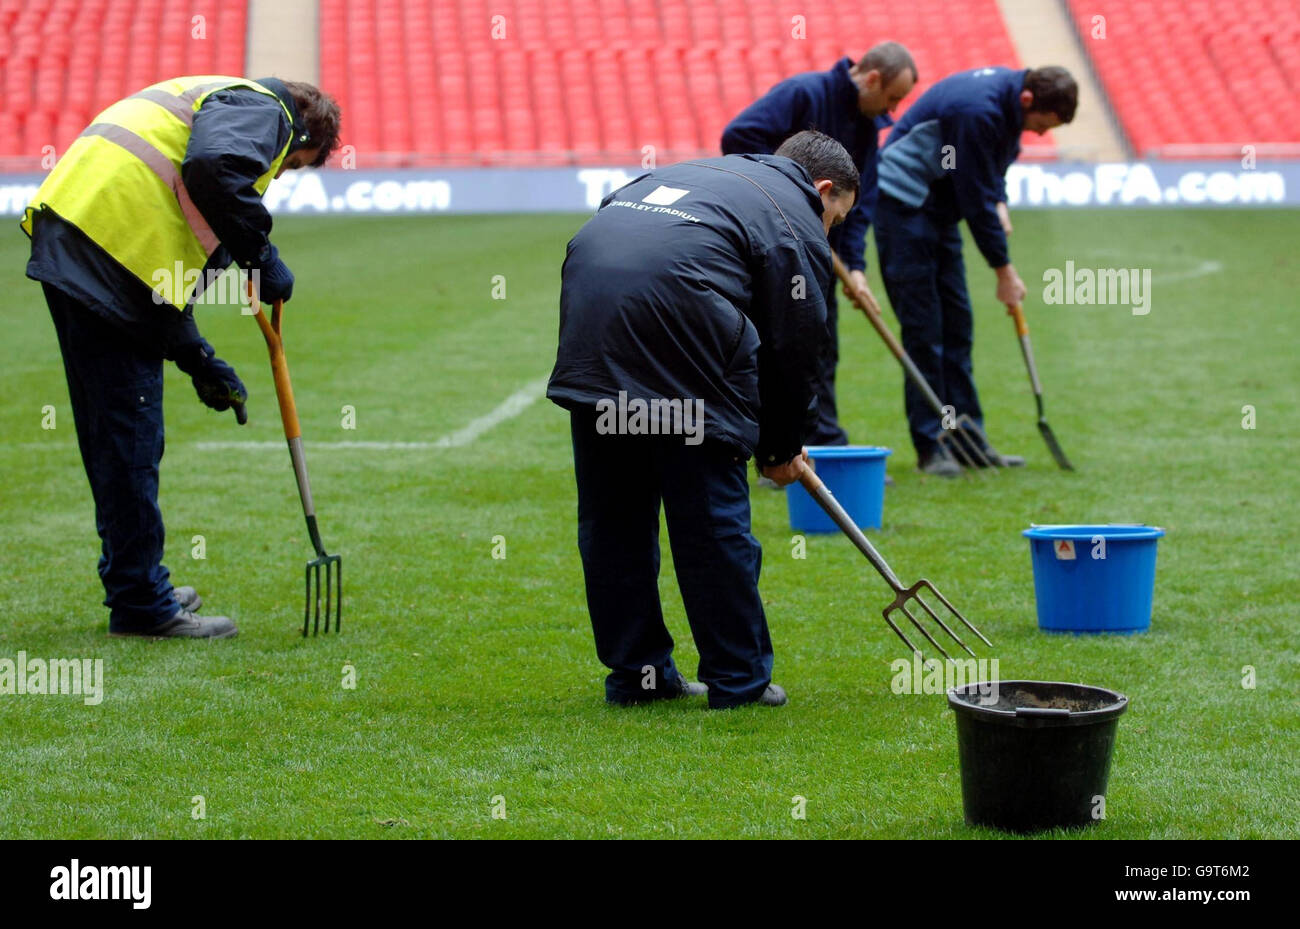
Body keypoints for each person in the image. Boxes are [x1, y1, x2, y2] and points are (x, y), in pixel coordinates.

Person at [21, 75, 341, 638]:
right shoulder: (269, 111)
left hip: (84, 235)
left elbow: (163, 269)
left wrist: (199, 359)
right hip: (103, 245)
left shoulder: (213, 103)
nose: (278, 175)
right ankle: (142, 602)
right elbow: (214, 169)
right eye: (292, 166)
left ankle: (133, 579)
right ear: (303, 134)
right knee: (130, 434)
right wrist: (261, 255)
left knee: (116, 431)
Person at [548, 130, 858, 709]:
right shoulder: (794, 217)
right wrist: (780, 447)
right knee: (710, 521)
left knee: (614, 522)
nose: (829, 231)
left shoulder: (692, 173)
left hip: (592, 343)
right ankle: (738, 680)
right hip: (676, 345)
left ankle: (638, 677)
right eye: (835, 218)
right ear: (821, 190)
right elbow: (796, 348)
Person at [874, 66, 1077, 476]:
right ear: (1027, 101)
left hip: (940, 208)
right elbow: (974, 195)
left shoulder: (1008, 104)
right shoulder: (977, 109)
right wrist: (1005, 271)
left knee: (958, 327)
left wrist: (998, 199)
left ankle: (968, 441)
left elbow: (989, 171)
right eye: (1041, 124)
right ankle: (932, 447)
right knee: (925, 330)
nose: (1037, 134)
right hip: (904, 207)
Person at [721, 42, 917, 447]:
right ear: (873, 79)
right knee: (772, 347)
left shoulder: (867, 127)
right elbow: (738, 135)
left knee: (819, 346)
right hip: (772, 250)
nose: (892, 110)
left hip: (822, 256)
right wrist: (790, 203)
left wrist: (857, 268)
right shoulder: (804, 93)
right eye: (892, 98)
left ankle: (819, 442)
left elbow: (861, 203)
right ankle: (772, 443)